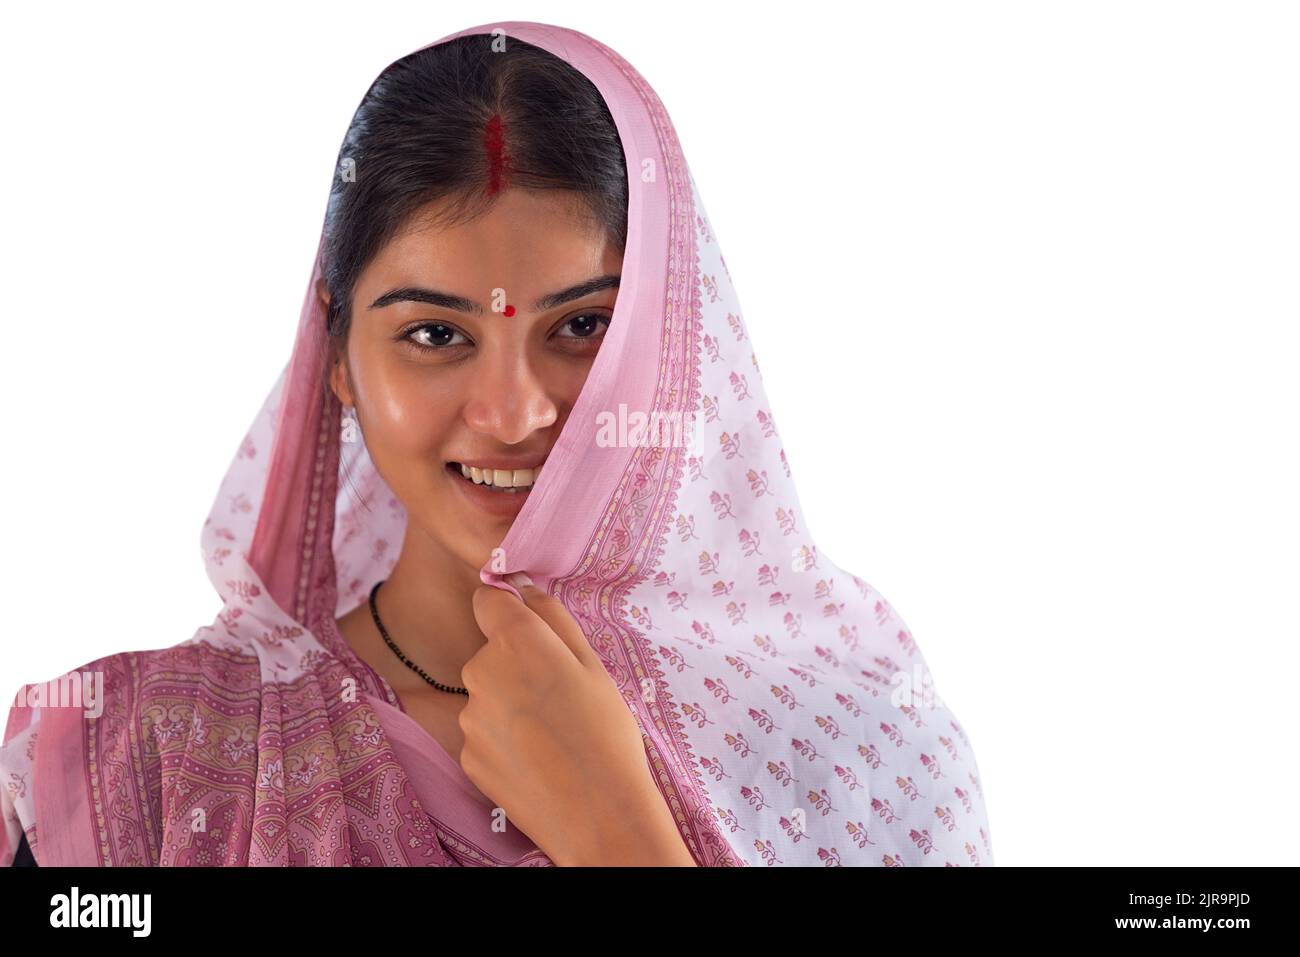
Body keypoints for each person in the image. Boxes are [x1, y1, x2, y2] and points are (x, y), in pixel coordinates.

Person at [1, 21, 994, 867]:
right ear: (337, 357)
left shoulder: (855, 750)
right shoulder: (140, 756)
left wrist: (619, 835)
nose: (513, 412)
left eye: (581, 328)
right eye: (434, 335)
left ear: (672, 343)